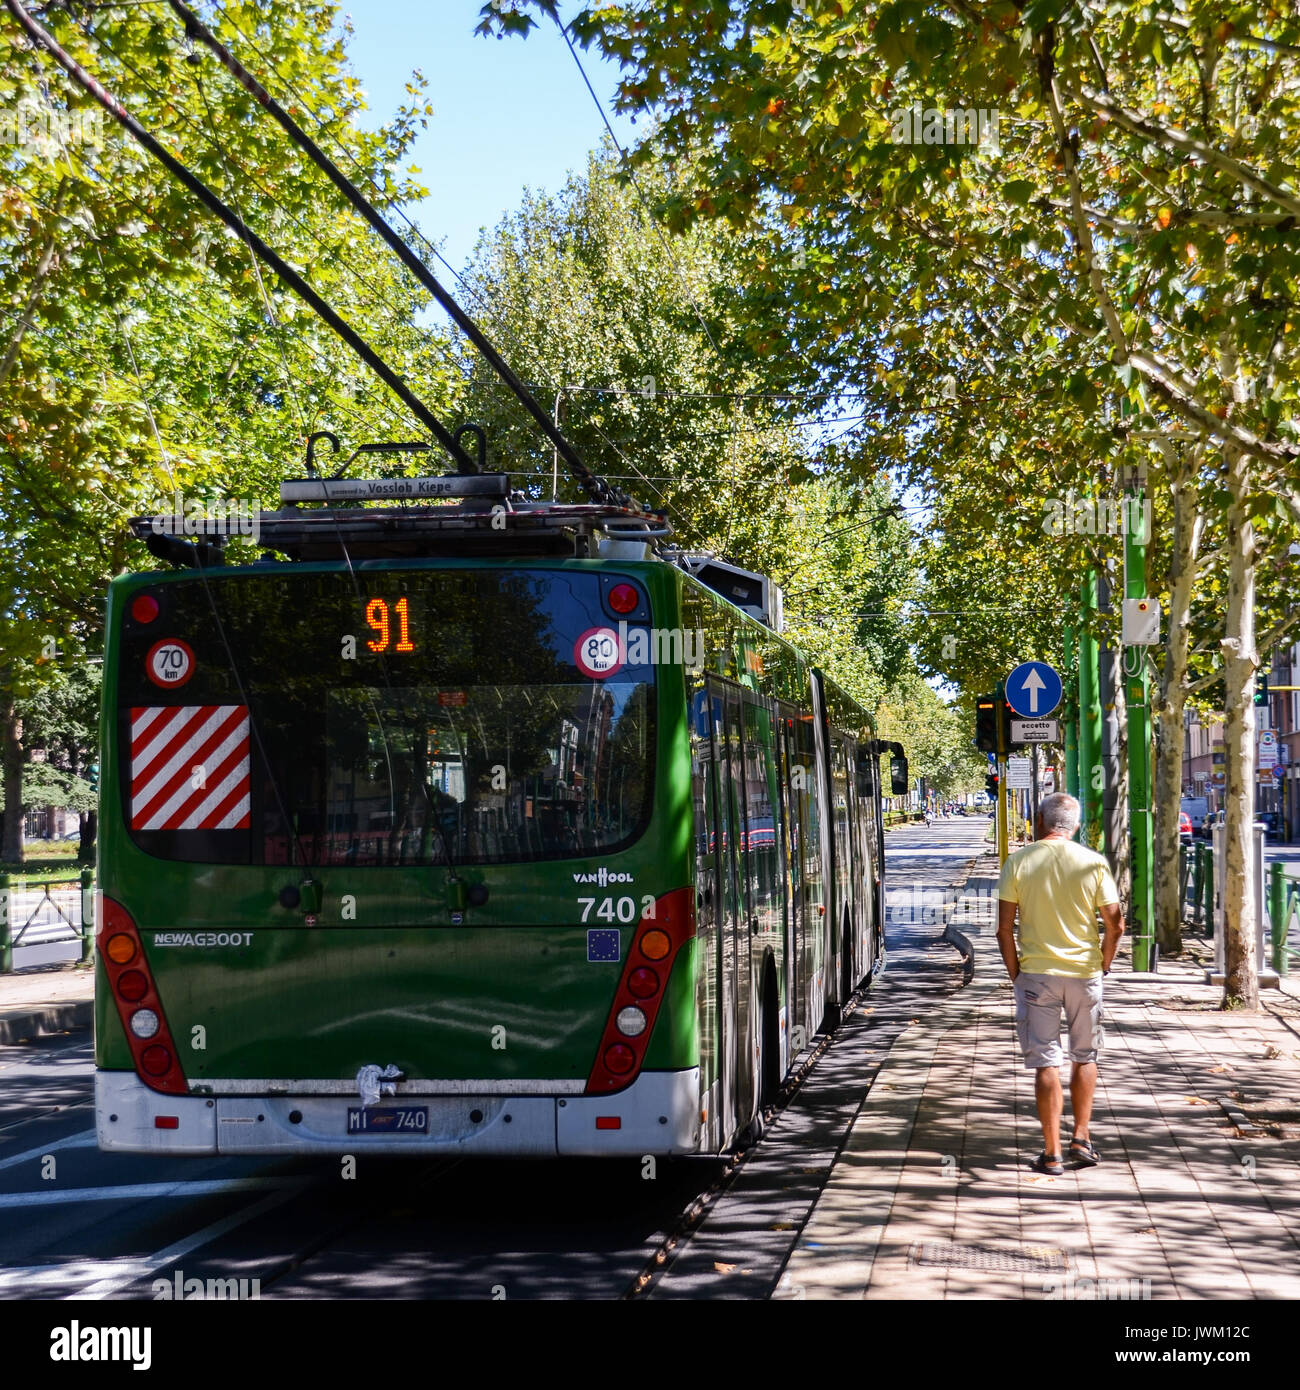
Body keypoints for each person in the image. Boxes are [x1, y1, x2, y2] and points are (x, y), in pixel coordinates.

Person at [996, 792, 1124, 1176]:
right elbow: (1115, 924)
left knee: (1045, 1061)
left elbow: (1004, 929)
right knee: (1085, 1055)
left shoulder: (1018, 861)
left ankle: (1051, 1154)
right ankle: (1081, 1138)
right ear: (1076, 825)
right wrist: (1103, 964)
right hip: (1085, 974)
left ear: (1039, 820)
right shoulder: (1093, 862)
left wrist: (1015, 973)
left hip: (1036, 975)